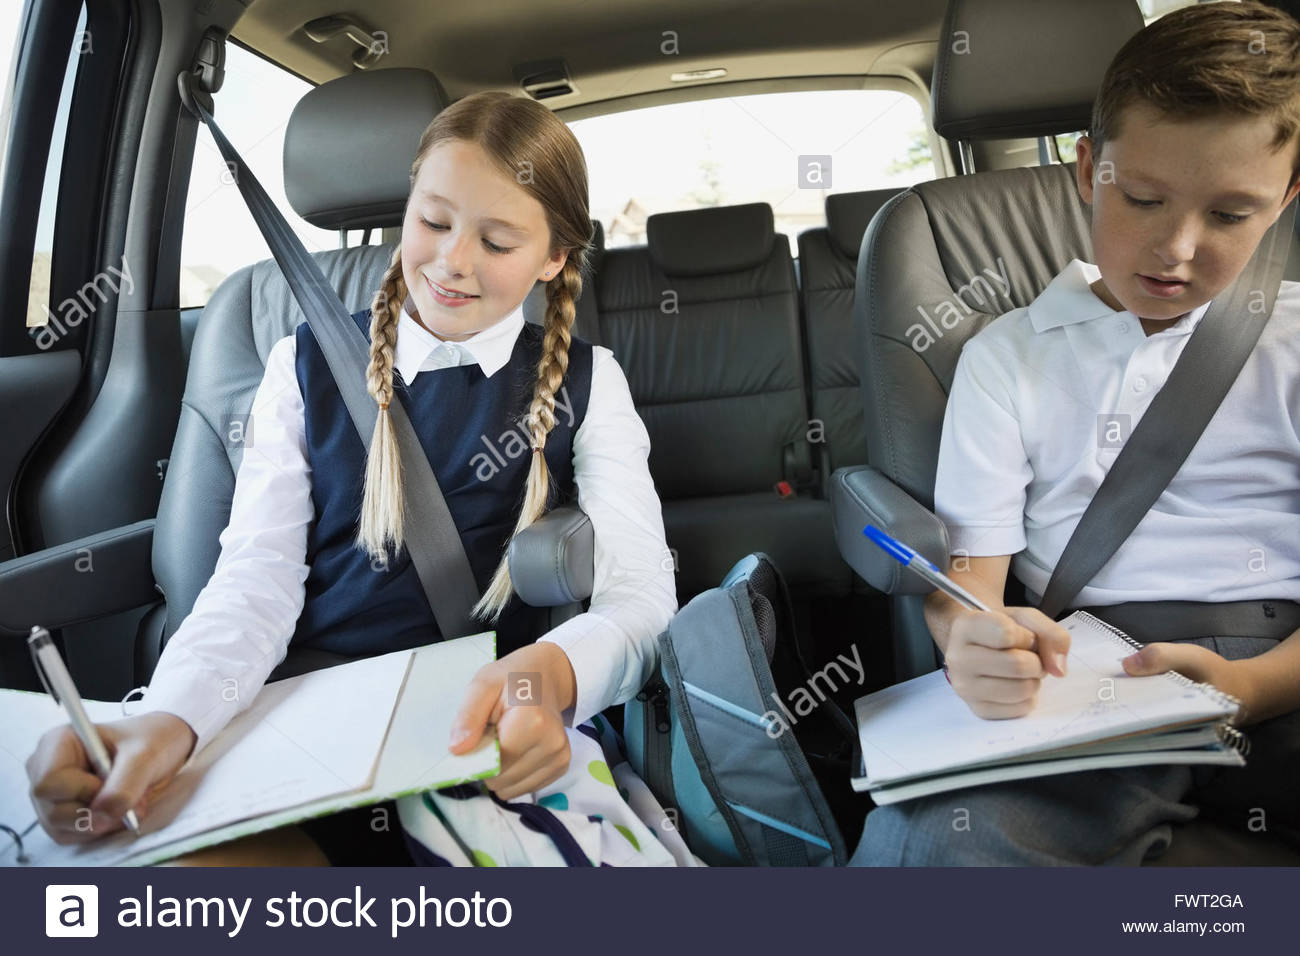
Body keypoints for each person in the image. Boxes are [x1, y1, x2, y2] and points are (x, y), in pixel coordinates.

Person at [25, 90, 687, 866]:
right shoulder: (300, 363)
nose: (451, 261)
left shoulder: (587, 379)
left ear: (553, 258)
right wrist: (172, 717)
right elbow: (255, 579)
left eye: (498, 240)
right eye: (433, 222)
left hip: (478, 731)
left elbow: (642, 595)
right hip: (301, 717)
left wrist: (555, 675)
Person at [852, 1, 1300, 865]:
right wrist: (969, 639)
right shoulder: (1005, 357)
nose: (1176, 247)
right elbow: (969, 584)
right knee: (934, 851)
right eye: (1142, 198)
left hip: (1285, 658)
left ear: (1285, 201)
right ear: (1087, 169)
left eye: (1231, 215)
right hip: (1097, 680)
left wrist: (1254, 686)